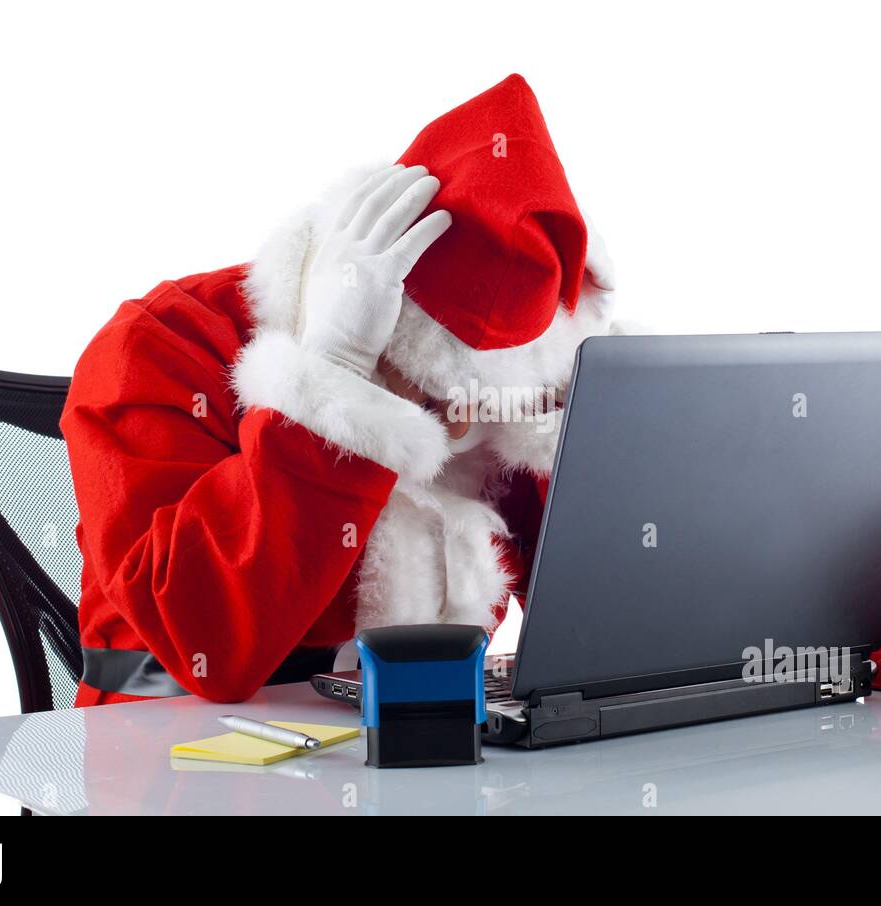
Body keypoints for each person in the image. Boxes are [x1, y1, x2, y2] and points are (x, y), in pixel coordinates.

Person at [62, 74, 622, 705]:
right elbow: (203, 639)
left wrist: (598, 407)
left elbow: (604, 621)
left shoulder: (516, 380)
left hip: (425, 738)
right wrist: (332, 381)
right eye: (432, 395)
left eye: (481, 400)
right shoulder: (157, 344)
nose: (461, 429)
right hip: (169, 749)